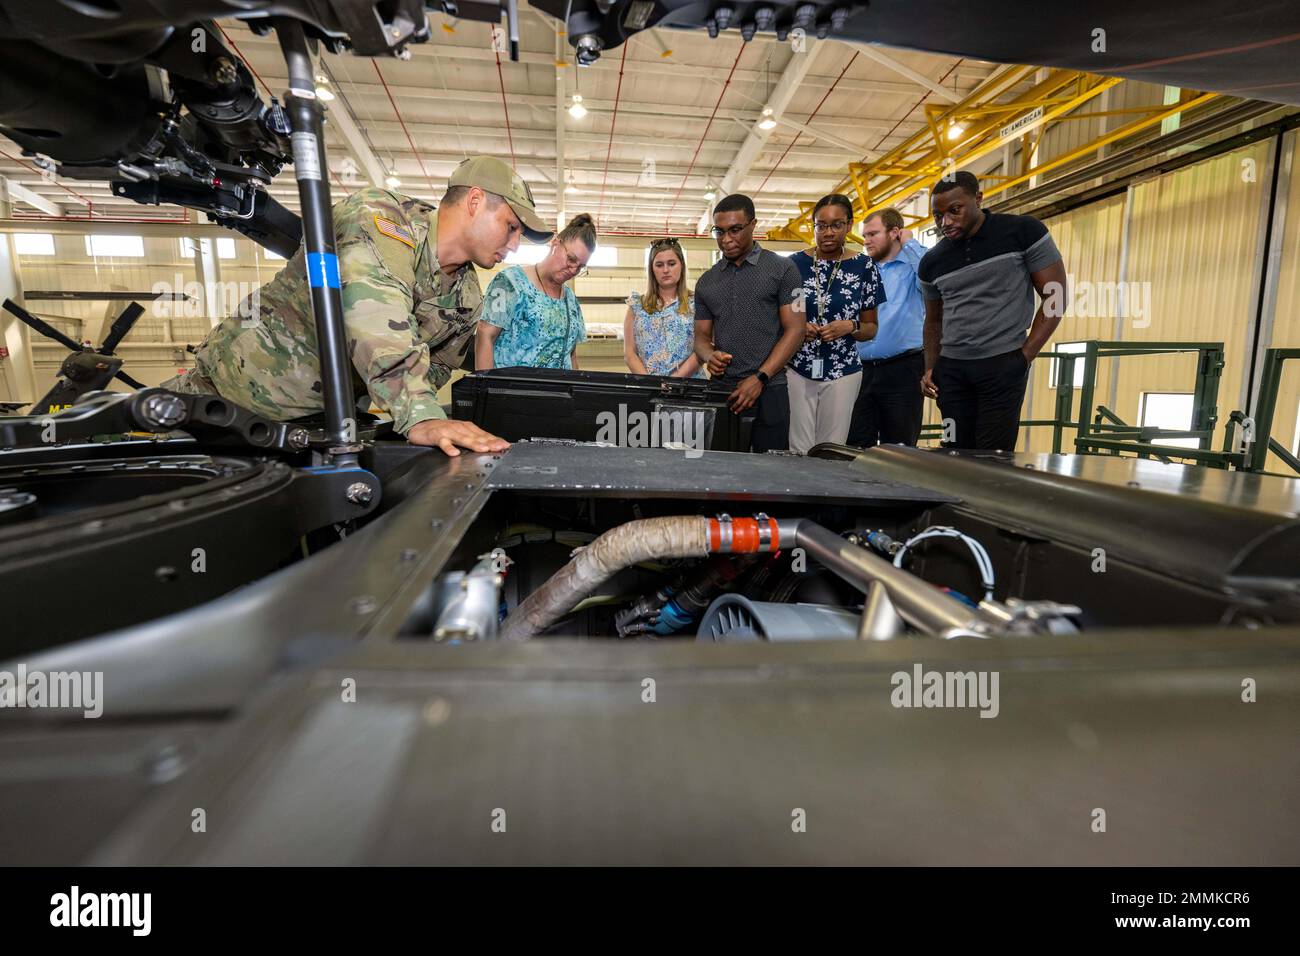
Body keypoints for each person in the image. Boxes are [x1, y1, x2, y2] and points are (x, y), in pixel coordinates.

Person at [163, 155, 549, 457]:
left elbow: (440, 365)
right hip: (224, 397)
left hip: (311, 429)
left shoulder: (467, 298)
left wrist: (400, 399)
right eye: (511, 227)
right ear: (475, 200)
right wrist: (419, 414)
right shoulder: (380, 218)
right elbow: (375, 321)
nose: (514, 245)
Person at [918, 170, 1066, 451]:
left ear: (979, 198)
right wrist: (930, 367)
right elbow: (933, 322)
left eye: (954, 210)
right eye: (938, 216)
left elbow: (1056, 298)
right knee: (952, 451)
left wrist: (1024, 357)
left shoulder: (1023, 232)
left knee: (992, 458)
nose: (945, 222)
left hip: (1002, 366)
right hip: (951, 372)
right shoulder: (932, 261)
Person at [692, 194, 805, 453]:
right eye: (719, 231)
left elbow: (797, 330)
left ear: (753, 225)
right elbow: (699, 337)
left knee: (771, 473)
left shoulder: (784, 270)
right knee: (722, 471)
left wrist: (760, 378)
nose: (726, 239)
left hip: (770, 390)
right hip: (723, 392)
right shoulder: (707, 282)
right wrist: (710, 355)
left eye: (735, 230)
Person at [787, 194, 881, 454]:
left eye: (836, 225)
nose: (828, 232)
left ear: (849, 226)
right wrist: (798, 329)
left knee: (830, 449)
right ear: (813, 226)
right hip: (798, 368)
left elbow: (871, 327)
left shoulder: (864, 267)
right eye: (821, 225)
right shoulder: (793, 265)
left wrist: (850, 326)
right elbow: (780, 318)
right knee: (799, 448)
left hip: (843, 372)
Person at [475, 213, 595, 371]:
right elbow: (485, 335)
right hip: (512, 391)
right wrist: (485, 389)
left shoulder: (570, 300)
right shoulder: (511, 283)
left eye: (580, 267)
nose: (573, 269)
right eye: (571, 259)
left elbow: (571, 354)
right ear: (555, 244)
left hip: (557, 393)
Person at [851, 207, 927, 446]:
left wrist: (911, 243)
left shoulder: (914, 269)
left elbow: (935, 273)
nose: (866, 241)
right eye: (865, 236)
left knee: (900, 447)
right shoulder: (862, 269)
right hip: (860, 371)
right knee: (855, 444)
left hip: (903, 370)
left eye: (873, 234)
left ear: (895, 232)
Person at [623, 237, 702, 378]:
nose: (665, 270)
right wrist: (651, 384)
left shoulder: (696, 304)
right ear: (652, 269)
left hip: (689, 386)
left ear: (681, 265)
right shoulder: (636, 307)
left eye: (671, 264)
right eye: (659, 265)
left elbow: (703, 348)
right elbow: (630, 354)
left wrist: (674, 381)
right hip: (649, 388)